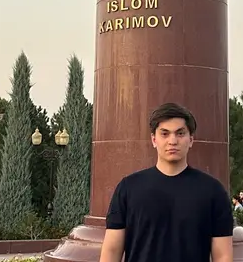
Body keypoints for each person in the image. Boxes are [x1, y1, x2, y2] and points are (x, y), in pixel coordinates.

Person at [99, 102, 233, 262]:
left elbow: (223, 255)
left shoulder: (213, 191)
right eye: (165, 134)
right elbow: (111, 251)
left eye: (180, 133)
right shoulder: (128, 188)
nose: (172, 141)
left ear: (191, 139)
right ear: (153, 139)